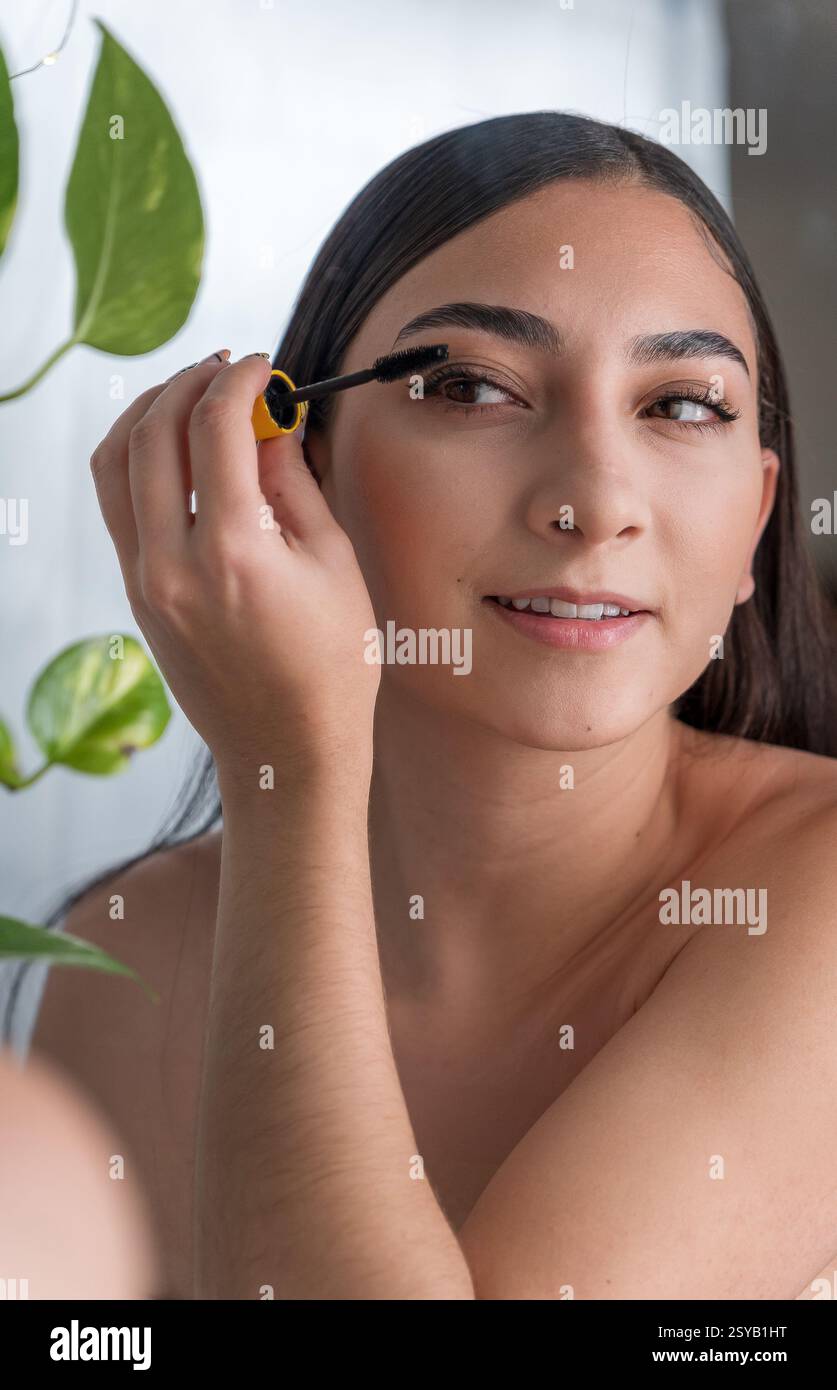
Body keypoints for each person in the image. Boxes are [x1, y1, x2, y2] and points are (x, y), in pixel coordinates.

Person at [18, 112, 837, 1299]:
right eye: (470, 386)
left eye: (683, 405)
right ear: (292, 466)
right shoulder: (130, 952)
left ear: (758, 519)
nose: (595, 501)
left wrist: (287, 776)